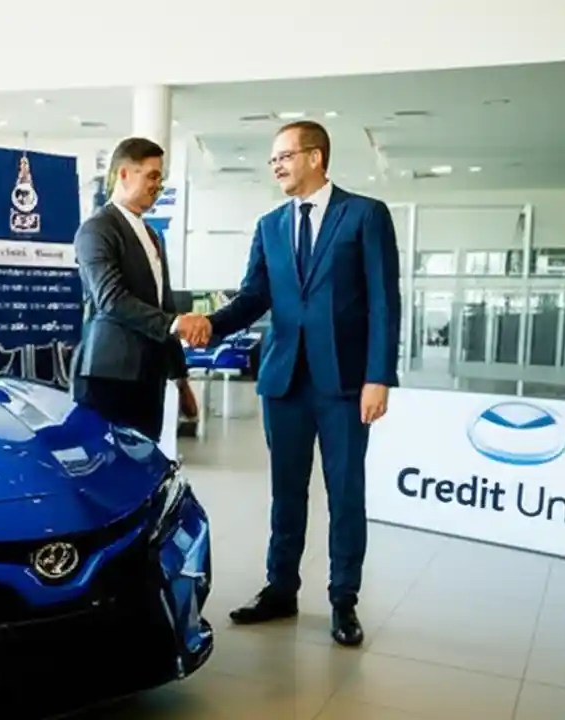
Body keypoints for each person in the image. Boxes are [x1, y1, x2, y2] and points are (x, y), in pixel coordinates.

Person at [207, 120, 400, 646]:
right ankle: (280, 589)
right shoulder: (270, 224)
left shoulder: (364, 215)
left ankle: (343, 599)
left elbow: (385, 300)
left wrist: (378, 377)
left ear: (315, 157)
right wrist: (210, 325)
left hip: (344, 383)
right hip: (284, 380)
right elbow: (253, 298)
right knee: (285, 493)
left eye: (284, 156)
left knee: (345, 493)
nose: (276, 166)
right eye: (272, 159)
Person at [70, 137, 210, 441]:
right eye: (152, 175)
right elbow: (111, 298)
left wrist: (181, 379)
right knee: (108, 469)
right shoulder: (97, 229)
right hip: (109, 375)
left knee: (146, 465)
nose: (158, 185)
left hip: (149, 376)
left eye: (160, 178)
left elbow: (164, 306)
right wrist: (175, 323)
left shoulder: (151, 235)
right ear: (123, 174)